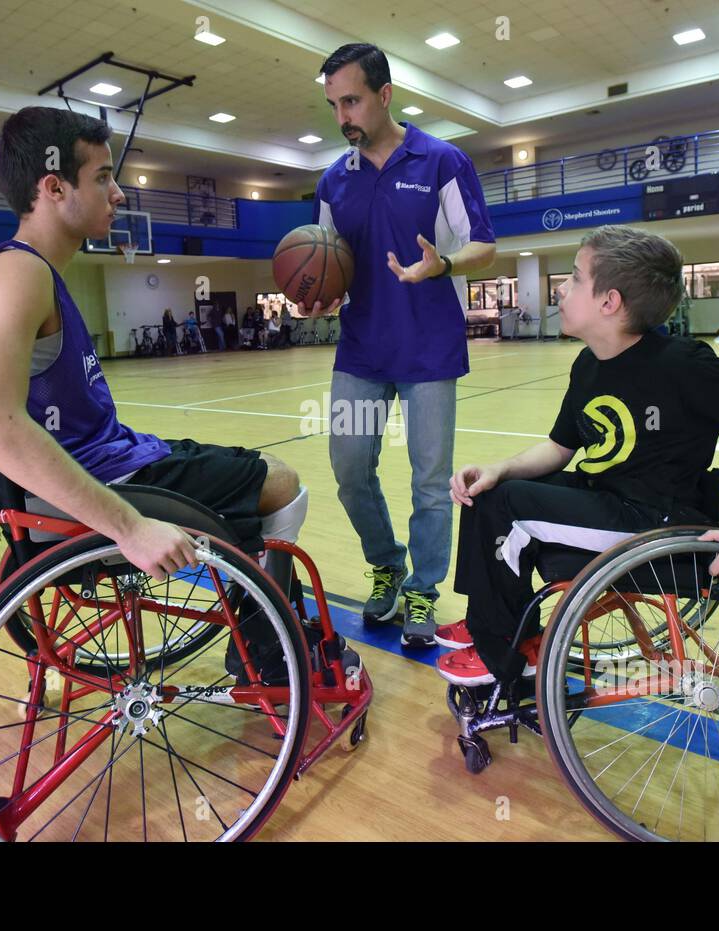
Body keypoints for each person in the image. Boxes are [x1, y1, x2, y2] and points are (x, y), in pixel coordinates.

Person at [0, 106, 353, 680]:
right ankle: (267, 648)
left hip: (92, 469)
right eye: (103, 177)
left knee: (231, 468)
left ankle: (261, 625)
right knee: (281, 484)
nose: (120, 194)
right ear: (54, 187)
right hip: (103, 482)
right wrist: (130, 528)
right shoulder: (20, 275)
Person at [435, 226, 719, 687]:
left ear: (608, 303)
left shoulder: (682, 364)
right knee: (489, 493)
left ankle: (506, 653)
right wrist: (499, 468)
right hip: (605, 497)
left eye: (574, 278)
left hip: (654, 519)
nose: (560, 288)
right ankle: (493, 622)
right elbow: (559, 449)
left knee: (509, 508)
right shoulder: (589, 364)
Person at [306, 43, 496, 648]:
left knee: (429, 479)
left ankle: (423, 585)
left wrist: (443, 266)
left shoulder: (442, 161)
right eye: (334, 104)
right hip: (360, 350)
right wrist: (320, 295)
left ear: (385, 95)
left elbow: (482, 246)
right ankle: (386, 561)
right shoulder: (334, 179)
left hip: (429, 350)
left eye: (353, 100)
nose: (343, 116)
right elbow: (327, 260)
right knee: (349, 467)